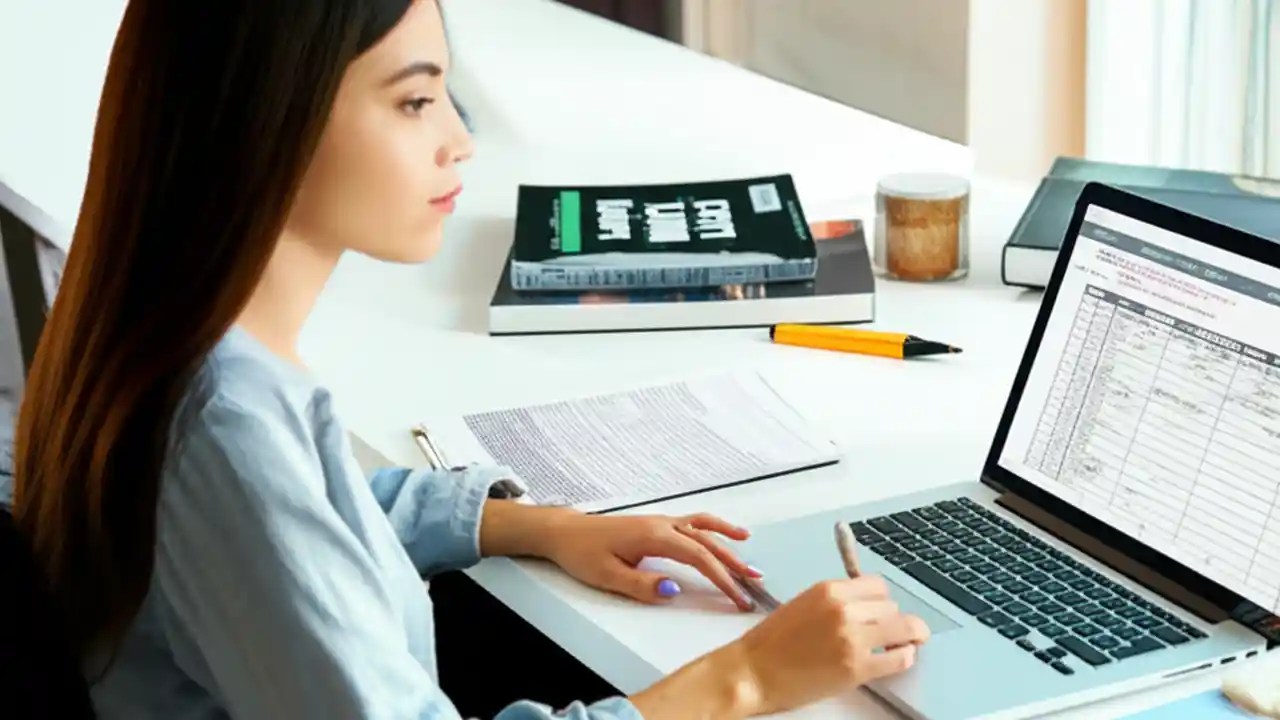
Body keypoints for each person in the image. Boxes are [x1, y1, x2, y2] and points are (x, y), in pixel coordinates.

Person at [4, 1, 930, 719]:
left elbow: (313, 523)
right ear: (265, 118)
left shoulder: (176, 345)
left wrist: (532, 525)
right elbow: (263, 509)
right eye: (413, 101)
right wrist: (747, 679)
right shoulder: (225, 427)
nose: (460, 139)